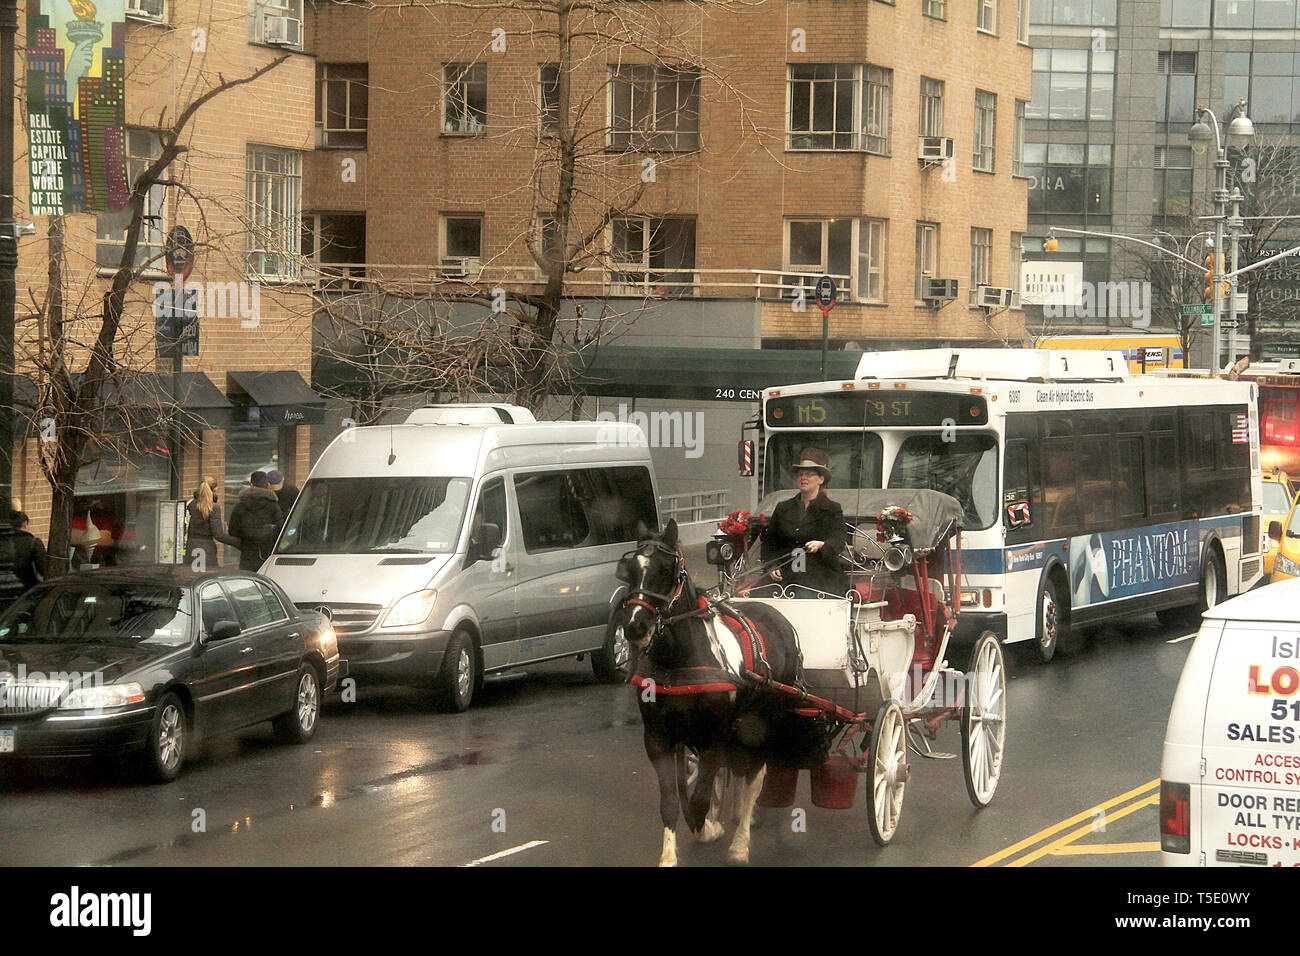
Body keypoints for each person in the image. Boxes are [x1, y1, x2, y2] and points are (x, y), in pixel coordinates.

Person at [759, 447, 848, 597]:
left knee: (804, 593)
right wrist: (771, 566)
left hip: (819, 576)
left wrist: (822, 545)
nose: (803, 478)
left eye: (809, 474)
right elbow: (769, 544)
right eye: (800, 474)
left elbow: (839, 540)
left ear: (821, 479)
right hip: (784, 575)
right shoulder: (783, 508)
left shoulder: (832, 509)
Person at [226, 471, 285, 571]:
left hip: (247, 553)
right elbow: (281, 528)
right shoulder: (273, 505)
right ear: (267, 485)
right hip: (266, 553)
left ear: (251, 485)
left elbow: (232, 530)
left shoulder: (240, 505)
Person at [185, 475, 235, 568]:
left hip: (190, 546)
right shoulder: (214, 507)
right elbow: (218, 534)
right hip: (206, 549)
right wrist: (237, 542)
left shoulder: (190, 504)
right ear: (215, 489)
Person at [11, 511, 45, 591]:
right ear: (25, 524)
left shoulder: (5, 542)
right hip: (27, 588)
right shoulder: (33, 543)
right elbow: (43, 568)